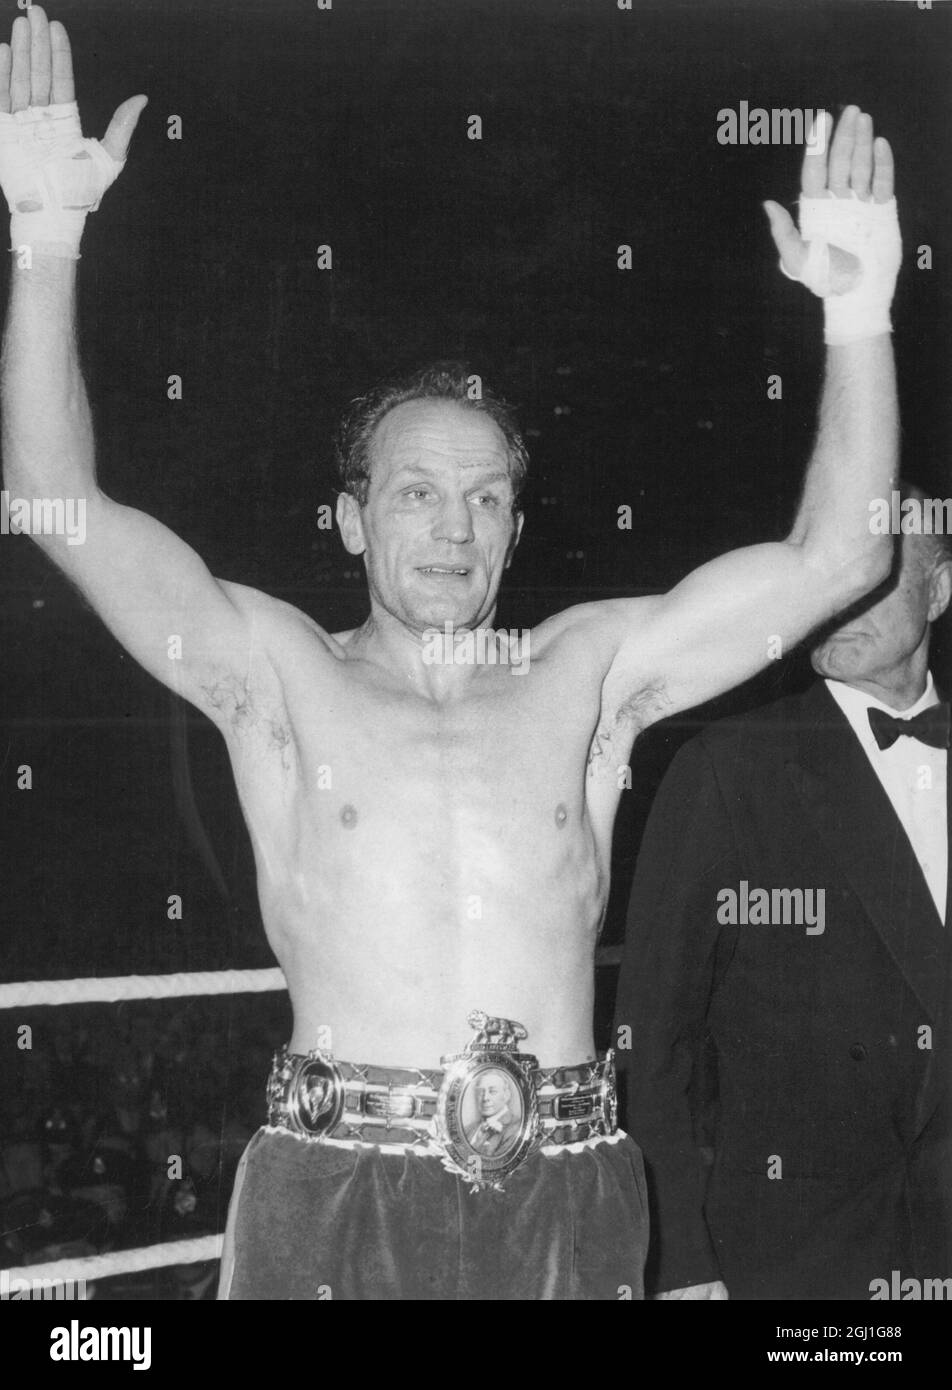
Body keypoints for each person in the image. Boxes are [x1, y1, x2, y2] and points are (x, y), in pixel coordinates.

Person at [1, 6, 902, 1301]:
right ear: (351, 518)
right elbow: (55, 500)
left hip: (568, 1188)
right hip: (337, 1185)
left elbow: (842, 557)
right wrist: (46, 232)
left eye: (485, 500)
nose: (454, 527)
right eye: (417, 493)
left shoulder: (591, 669)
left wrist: (858, 309)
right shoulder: (275, 670)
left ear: (515, 529)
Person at [614, 493, 952, 1300]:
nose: (843, 599)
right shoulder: (729, 768)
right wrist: (680, 1263)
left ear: (939, 591)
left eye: (877, 572)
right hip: (794, 1262)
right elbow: (649, 1043)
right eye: (837, 575)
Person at [466, 1072, 523, 1158]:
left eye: (492, 1091)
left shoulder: (516, 1129)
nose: (485, 1098)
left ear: (506, 1095)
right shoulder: (468, 1129)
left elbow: (497, 1164)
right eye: (480, 1092)